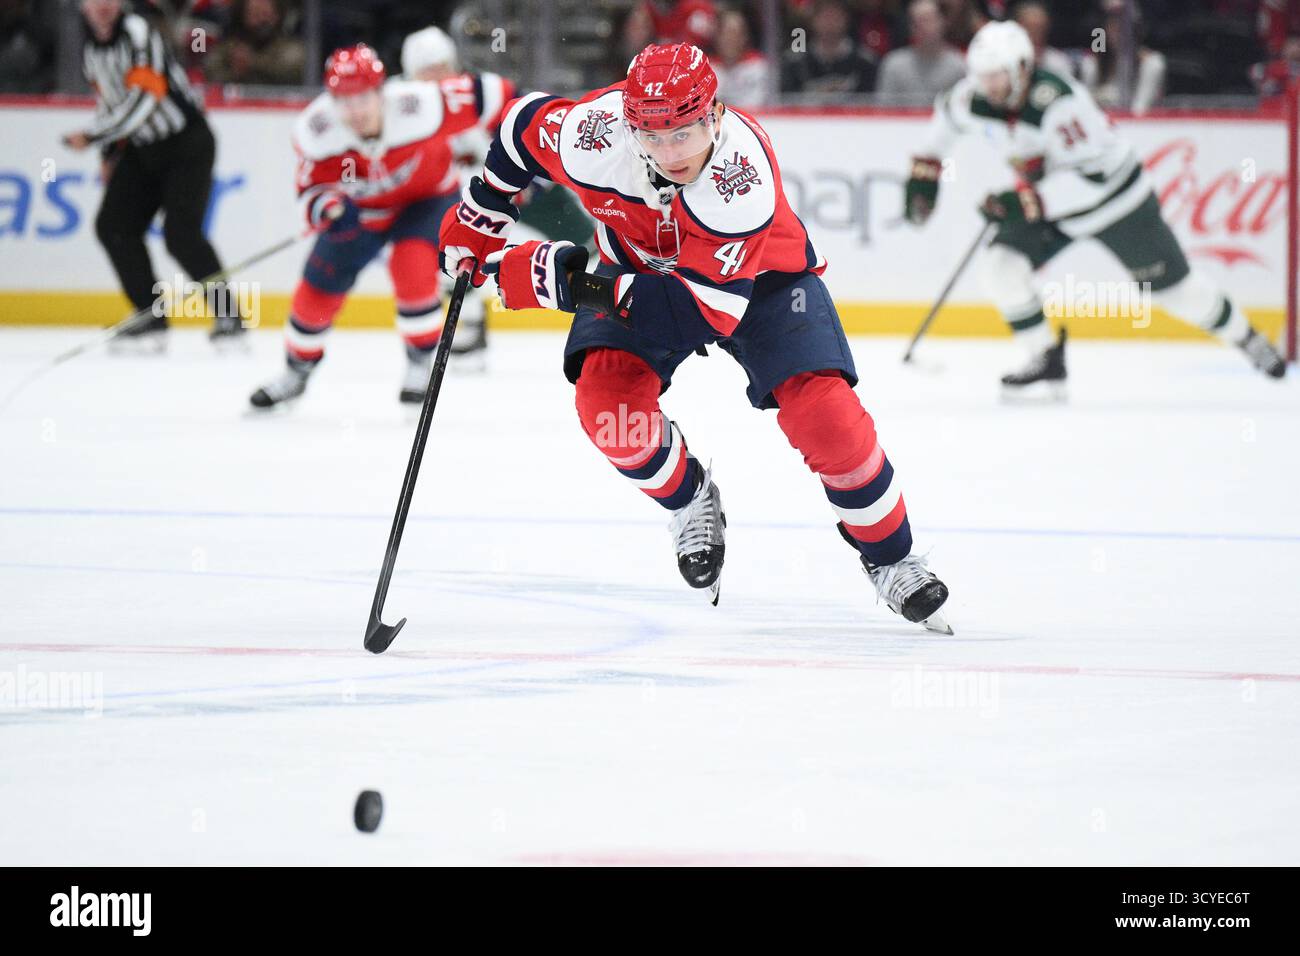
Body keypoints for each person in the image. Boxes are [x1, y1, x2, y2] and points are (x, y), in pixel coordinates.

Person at [437, 42, 953, 632]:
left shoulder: (741, 176)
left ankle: (892, 558)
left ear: (714, 115)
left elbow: (701, 314)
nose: (668, 151)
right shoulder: (593, 135)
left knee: (828, 420)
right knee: (608, 411)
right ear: (628, 126)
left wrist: (570, 287)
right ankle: (689, 499)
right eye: (651, 137)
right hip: (637, 269)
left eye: (683, 132)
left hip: (760, 282)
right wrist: (482, 212)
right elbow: (522, 127)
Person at [904, 20, 1285, 394]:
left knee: (1176, 293)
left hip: (1117, 202)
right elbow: (941, 129)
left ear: (1022, 68)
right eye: (982, 75)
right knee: (1000, 269)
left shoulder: (1061, 105)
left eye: (997, 75)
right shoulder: (972, 99)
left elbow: (1092, 184)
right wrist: (924, 175)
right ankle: (1045, 357)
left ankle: (1247, 337)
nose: (989, 86)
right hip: (1049, 206)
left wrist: (1022, 201)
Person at [247, 44, 491, 408]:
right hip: (361, 212)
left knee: (412, 266)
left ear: (381, 92)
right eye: (343, 100)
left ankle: (419, 363)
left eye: (362, 97)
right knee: (317, 287)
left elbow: (485, 102)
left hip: (426, 202)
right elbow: (311, 187)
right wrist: (327, 206)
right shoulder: (319, 129)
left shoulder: (417, 107)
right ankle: (296, 372)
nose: (355, 110)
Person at [64, 0, 244, 349]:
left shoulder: (139, 32)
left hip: (186, 144)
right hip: (142, 149)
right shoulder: (91, 50)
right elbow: (111, 103)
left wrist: (93, 136)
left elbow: (145, 97)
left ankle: (229, 315)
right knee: (113, 226)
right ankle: (150, 314)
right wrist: (109, 151)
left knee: (181, 234)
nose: (101, 5)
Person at [876, 0, 966, 104]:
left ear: (943, 21)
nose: (921, 26)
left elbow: (960, 109)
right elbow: (884, 111)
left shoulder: (957, 65)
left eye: (927, 20)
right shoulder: (894, 64)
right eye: (916, 21)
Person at [781, 0, 878, 97]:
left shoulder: (865, 61)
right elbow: (786, 101)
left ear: (846, 19)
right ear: (812, 20)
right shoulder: (793, 62)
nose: (830, 23)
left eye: (835, 17)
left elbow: (871, 101)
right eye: (825, 17)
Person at [204, 0, 305, 86]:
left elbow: (296, 72)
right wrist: (235, 72)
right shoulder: (230, 48)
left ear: (277, 16)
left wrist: (253, 63)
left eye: (266, 14)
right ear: (243, 16)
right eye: (255, 14)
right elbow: (211, 75)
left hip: (280, 106)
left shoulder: (290, 48)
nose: (262, 20)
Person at [711, 8, 770, 108]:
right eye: (726, 33)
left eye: (735, 33)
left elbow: (757, 103)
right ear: (717, 36)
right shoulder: (707, 67)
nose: (730, 39)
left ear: (744, 37)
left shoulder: (757, 65)